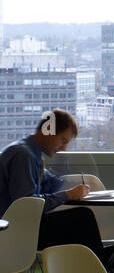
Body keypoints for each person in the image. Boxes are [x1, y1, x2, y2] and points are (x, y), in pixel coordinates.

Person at [0, 109, 104, 259]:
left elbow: (53, 182)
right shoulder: (24, 156)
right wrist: (68, 195)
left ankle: (95, 272)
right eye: (63, 141)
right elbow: (26, 205)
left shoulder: (31, 154)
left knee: (81, 218)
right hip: (14, 231)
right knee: (83, 218)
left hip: (17, 226)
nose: (63, 148)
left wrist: (79, 185)